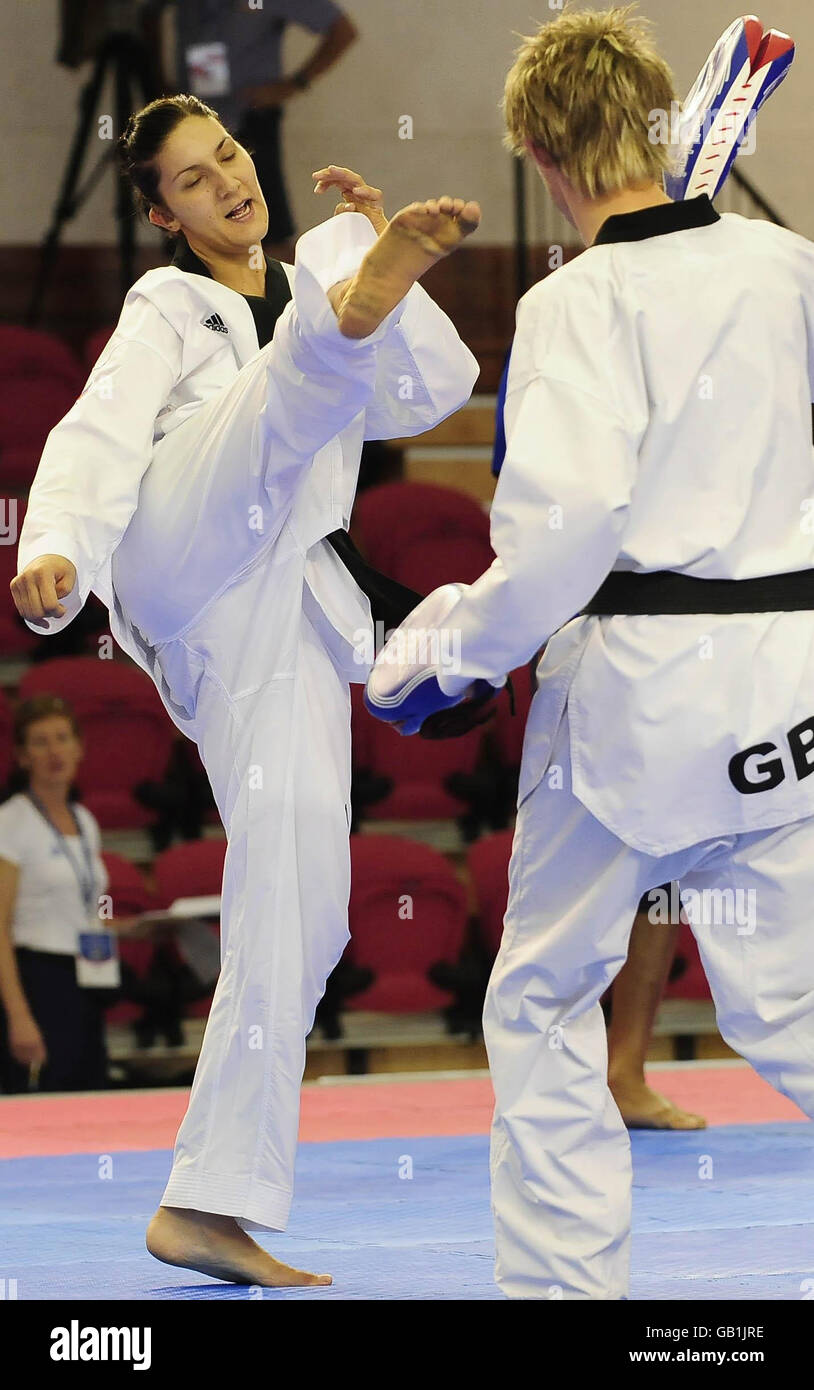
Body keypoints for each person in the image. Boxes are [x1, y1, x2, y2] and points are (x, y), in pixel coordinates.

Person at [366, 5, 814, 1298]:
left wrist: (445, 654)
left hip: (634, 695)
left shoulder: (572, 305)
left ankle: (564, 1297)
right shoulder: (784, 265)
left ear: (532, 147)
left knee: (543, 996)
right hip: (783, 686)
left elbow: (563, 542)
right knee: (789, 1006)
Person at [11, 92, 480, 1286]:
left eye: (228, 153)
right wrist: (51, 551)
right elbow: (97, 431)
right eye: (191, 177)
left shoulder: (302, 277)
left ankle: (209, 1199)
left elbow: (434, 389)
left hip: (279, 614)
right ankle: (348, 306)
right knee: (295, 358)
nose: (225, 179)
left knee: (304, 898)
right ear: (164, 214)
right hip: (180, 546)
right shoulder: (167, 302)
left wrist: (391, 277)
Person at [172, 0, 358, 257]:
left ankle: (281, 293)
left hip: (250, 116)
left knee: (264, 219)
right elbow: (148, 14)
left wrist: (294, 84)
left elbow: (342, 30)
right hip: (190, 118)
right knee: (191, 219)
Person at [0, 696, 110, 1094]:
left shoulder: (85, 821)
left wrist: (137, 930)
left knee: (91, 1097)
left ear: (79, 747)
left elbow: (80, 908)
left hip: (85, 974)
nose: (54, 751)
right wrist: (19, 1016)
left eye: (62, 738)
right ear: (23, 756)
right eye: (40, 742)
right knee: (46, 1102)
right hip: (37, 979)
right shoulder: (12, 821)